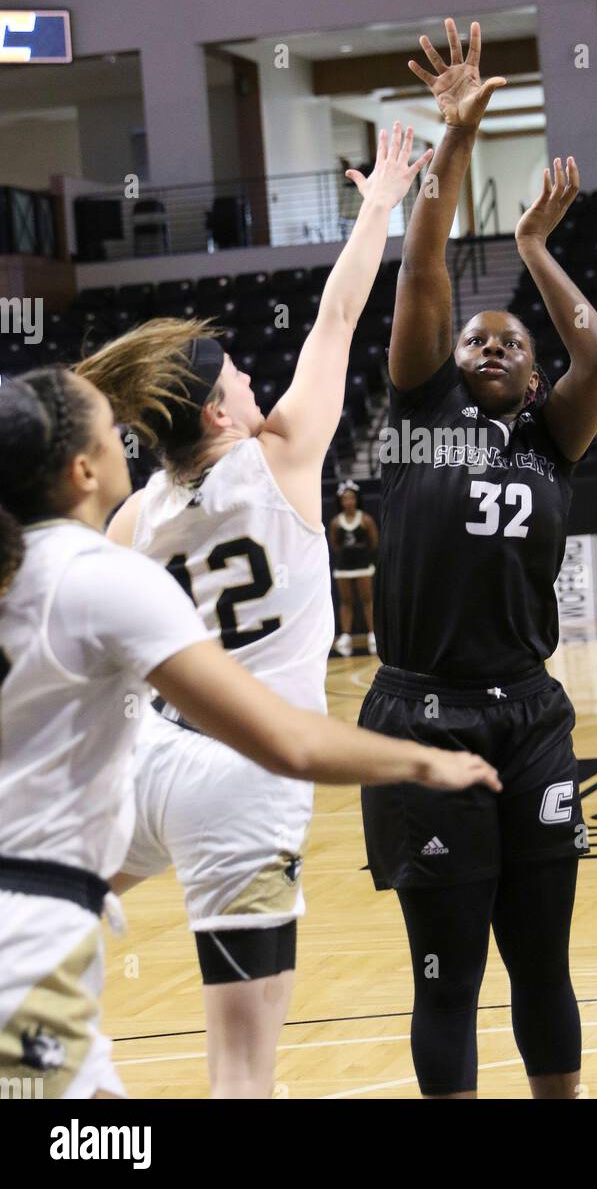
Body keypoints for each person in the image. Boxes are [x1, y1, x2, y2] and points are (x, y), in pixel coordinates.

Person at [74, 125, 473, 1101]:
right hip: (246, 781)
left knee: (55, 901)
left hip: (149, 770)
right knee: (243, 1074)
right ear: (218, 413)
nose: (256, 380)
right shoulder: (283, 455)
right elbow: (338, 318)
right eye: (239, 377)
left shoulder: (135, 514)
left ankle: (54, 1054)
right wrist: (380, 197)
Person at [0, 366, 499, 1100]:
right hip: (28, 948)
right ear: (79, 470)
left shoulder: (38, 574)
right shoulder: (102, 579)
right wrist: (423, 762)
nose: (129, 442)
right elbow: (285, 744)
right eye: (113, 433)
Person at [357, 18, 597, 1100]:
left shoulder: (550, 438)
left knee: (541, 960)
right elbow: (421, 267)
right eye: (478, 339)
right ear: (448, 365)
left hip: (531, 716)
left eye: (512, 337)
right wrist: (452, 143)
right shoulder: (415, 418)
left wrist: (533, 254)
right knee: (446, 975)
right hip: (423, 718)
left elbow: (592, 349)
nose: (497, 343)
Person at [329, 479, 379, 657]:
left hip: (363, 565)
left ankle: (372, 633)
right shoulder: (336, 522)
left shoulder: (365, 519)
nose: (348, 502)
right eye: (345, 499)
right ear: (340, 501)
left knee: (367, 599)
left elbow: (374, 542)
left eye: (351, 498)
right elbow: (334, 544)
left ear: (356, 499)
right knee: (346, 601)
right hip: (344, 567)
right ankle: (346, 635)